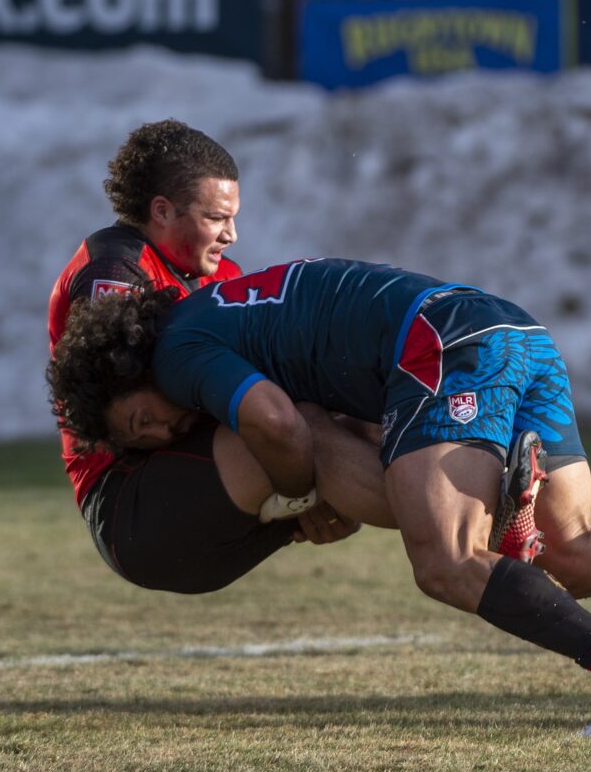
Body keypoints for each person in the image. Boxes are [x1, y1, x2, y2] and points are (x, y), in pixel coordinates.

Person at [48, 259, 591, 735]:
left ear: (133, 372)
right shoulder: (230, 313)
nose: (157, 435)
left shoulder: (182, 346)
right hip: (511, 333)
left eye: (140, 422)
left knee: (447, 562)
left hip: (441, 349)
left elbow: (275, 423)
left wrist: (297, 506)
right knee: (572, 556)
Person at [47, 121, 382, 594]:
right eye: (217, 218)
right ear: (161, 211)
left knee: (359, 413)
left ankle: (500, 516)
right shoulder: (115, 272)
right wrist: (307, 486)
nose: (232, 235)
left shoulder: (221, 275)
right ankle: (476, 525)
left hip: (205, 487)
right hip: (131, 506)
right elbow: (133, 405)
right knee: (298, 427)